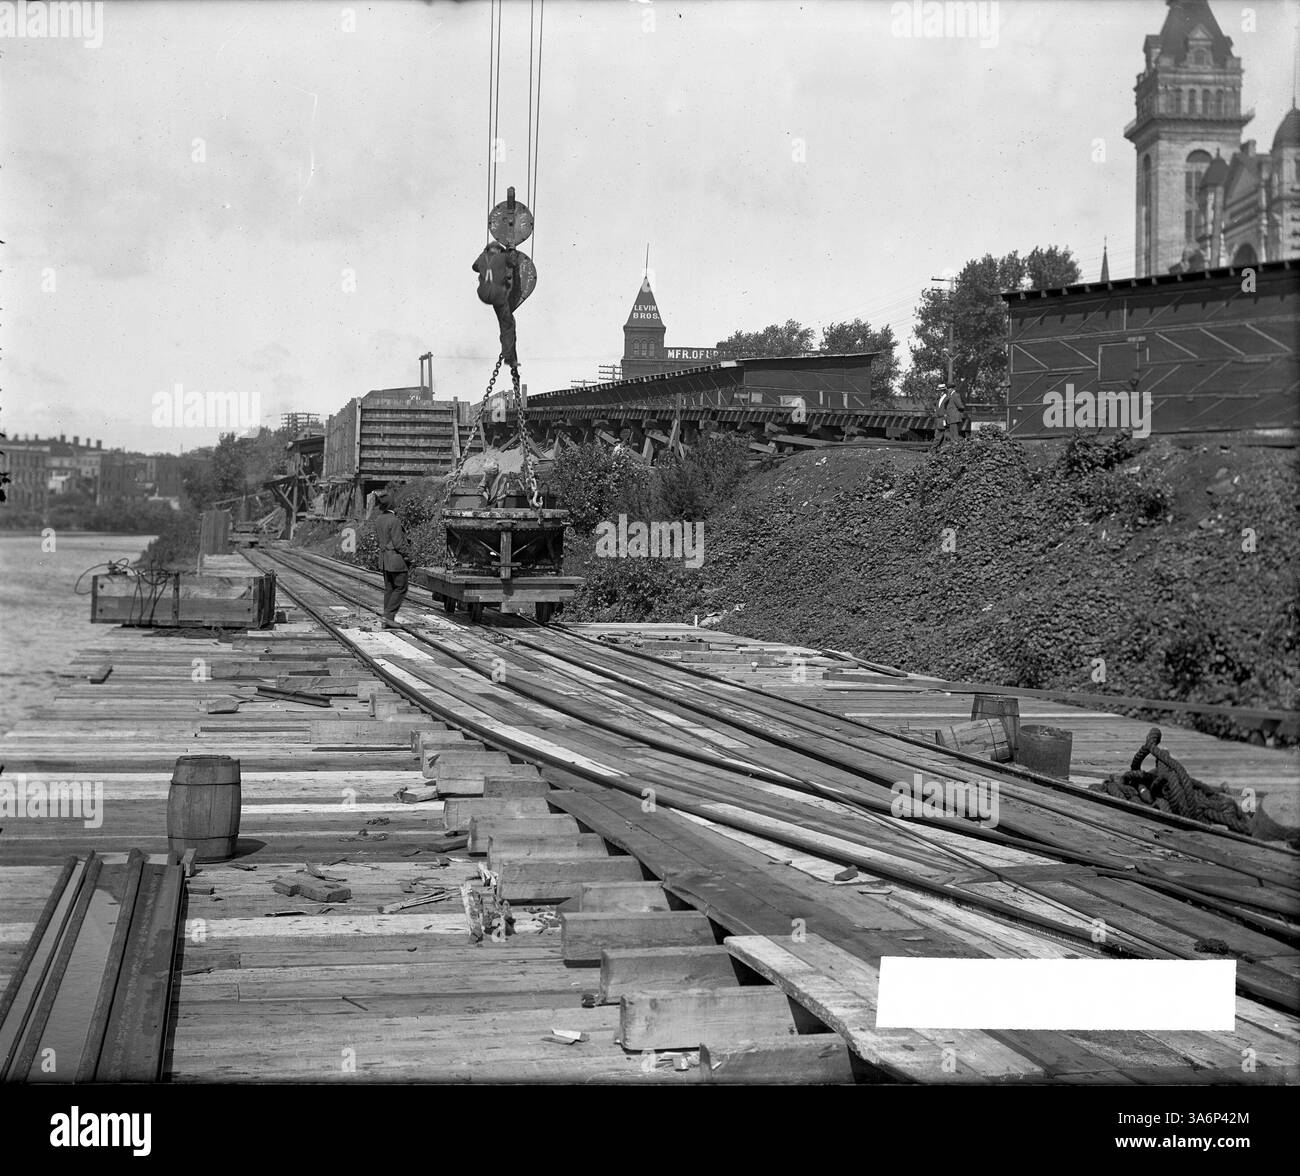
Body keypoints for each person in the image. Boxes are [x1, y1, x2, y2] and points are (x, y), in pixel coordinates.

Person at [472, 242, 523, 369]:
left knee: (504, 320)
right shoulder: (502, 257)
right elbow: (513, 263)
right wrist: (511, 250)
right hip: (498, 294)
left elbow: (475, 267)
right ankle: (509, 357)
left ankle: (510, 356)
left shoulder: (482, 257)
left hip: (484, 293)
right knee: (508, 324)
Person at [371, 489, 411, 627]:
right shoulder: (394, 520)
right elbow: (399, 543)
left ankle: (386, 618)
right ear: (391, 505)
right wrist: (410, 556)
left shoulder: (379, 519)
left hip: (384, 560)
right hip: (395, 560)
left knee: (389, 588)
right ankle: (388, 616)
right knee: (401, 587)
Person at [932, 384, 968, 450]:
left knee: (953, 435)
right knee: (947, 435)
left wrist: (961, 409)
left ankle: (955, 449)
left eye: (941, 390)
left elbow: (959, 405)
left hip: (951, 417)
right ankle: (939, 449)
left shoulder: (952, 396)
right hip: (946, 418)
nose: (939, 392)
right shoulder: (944, 397)